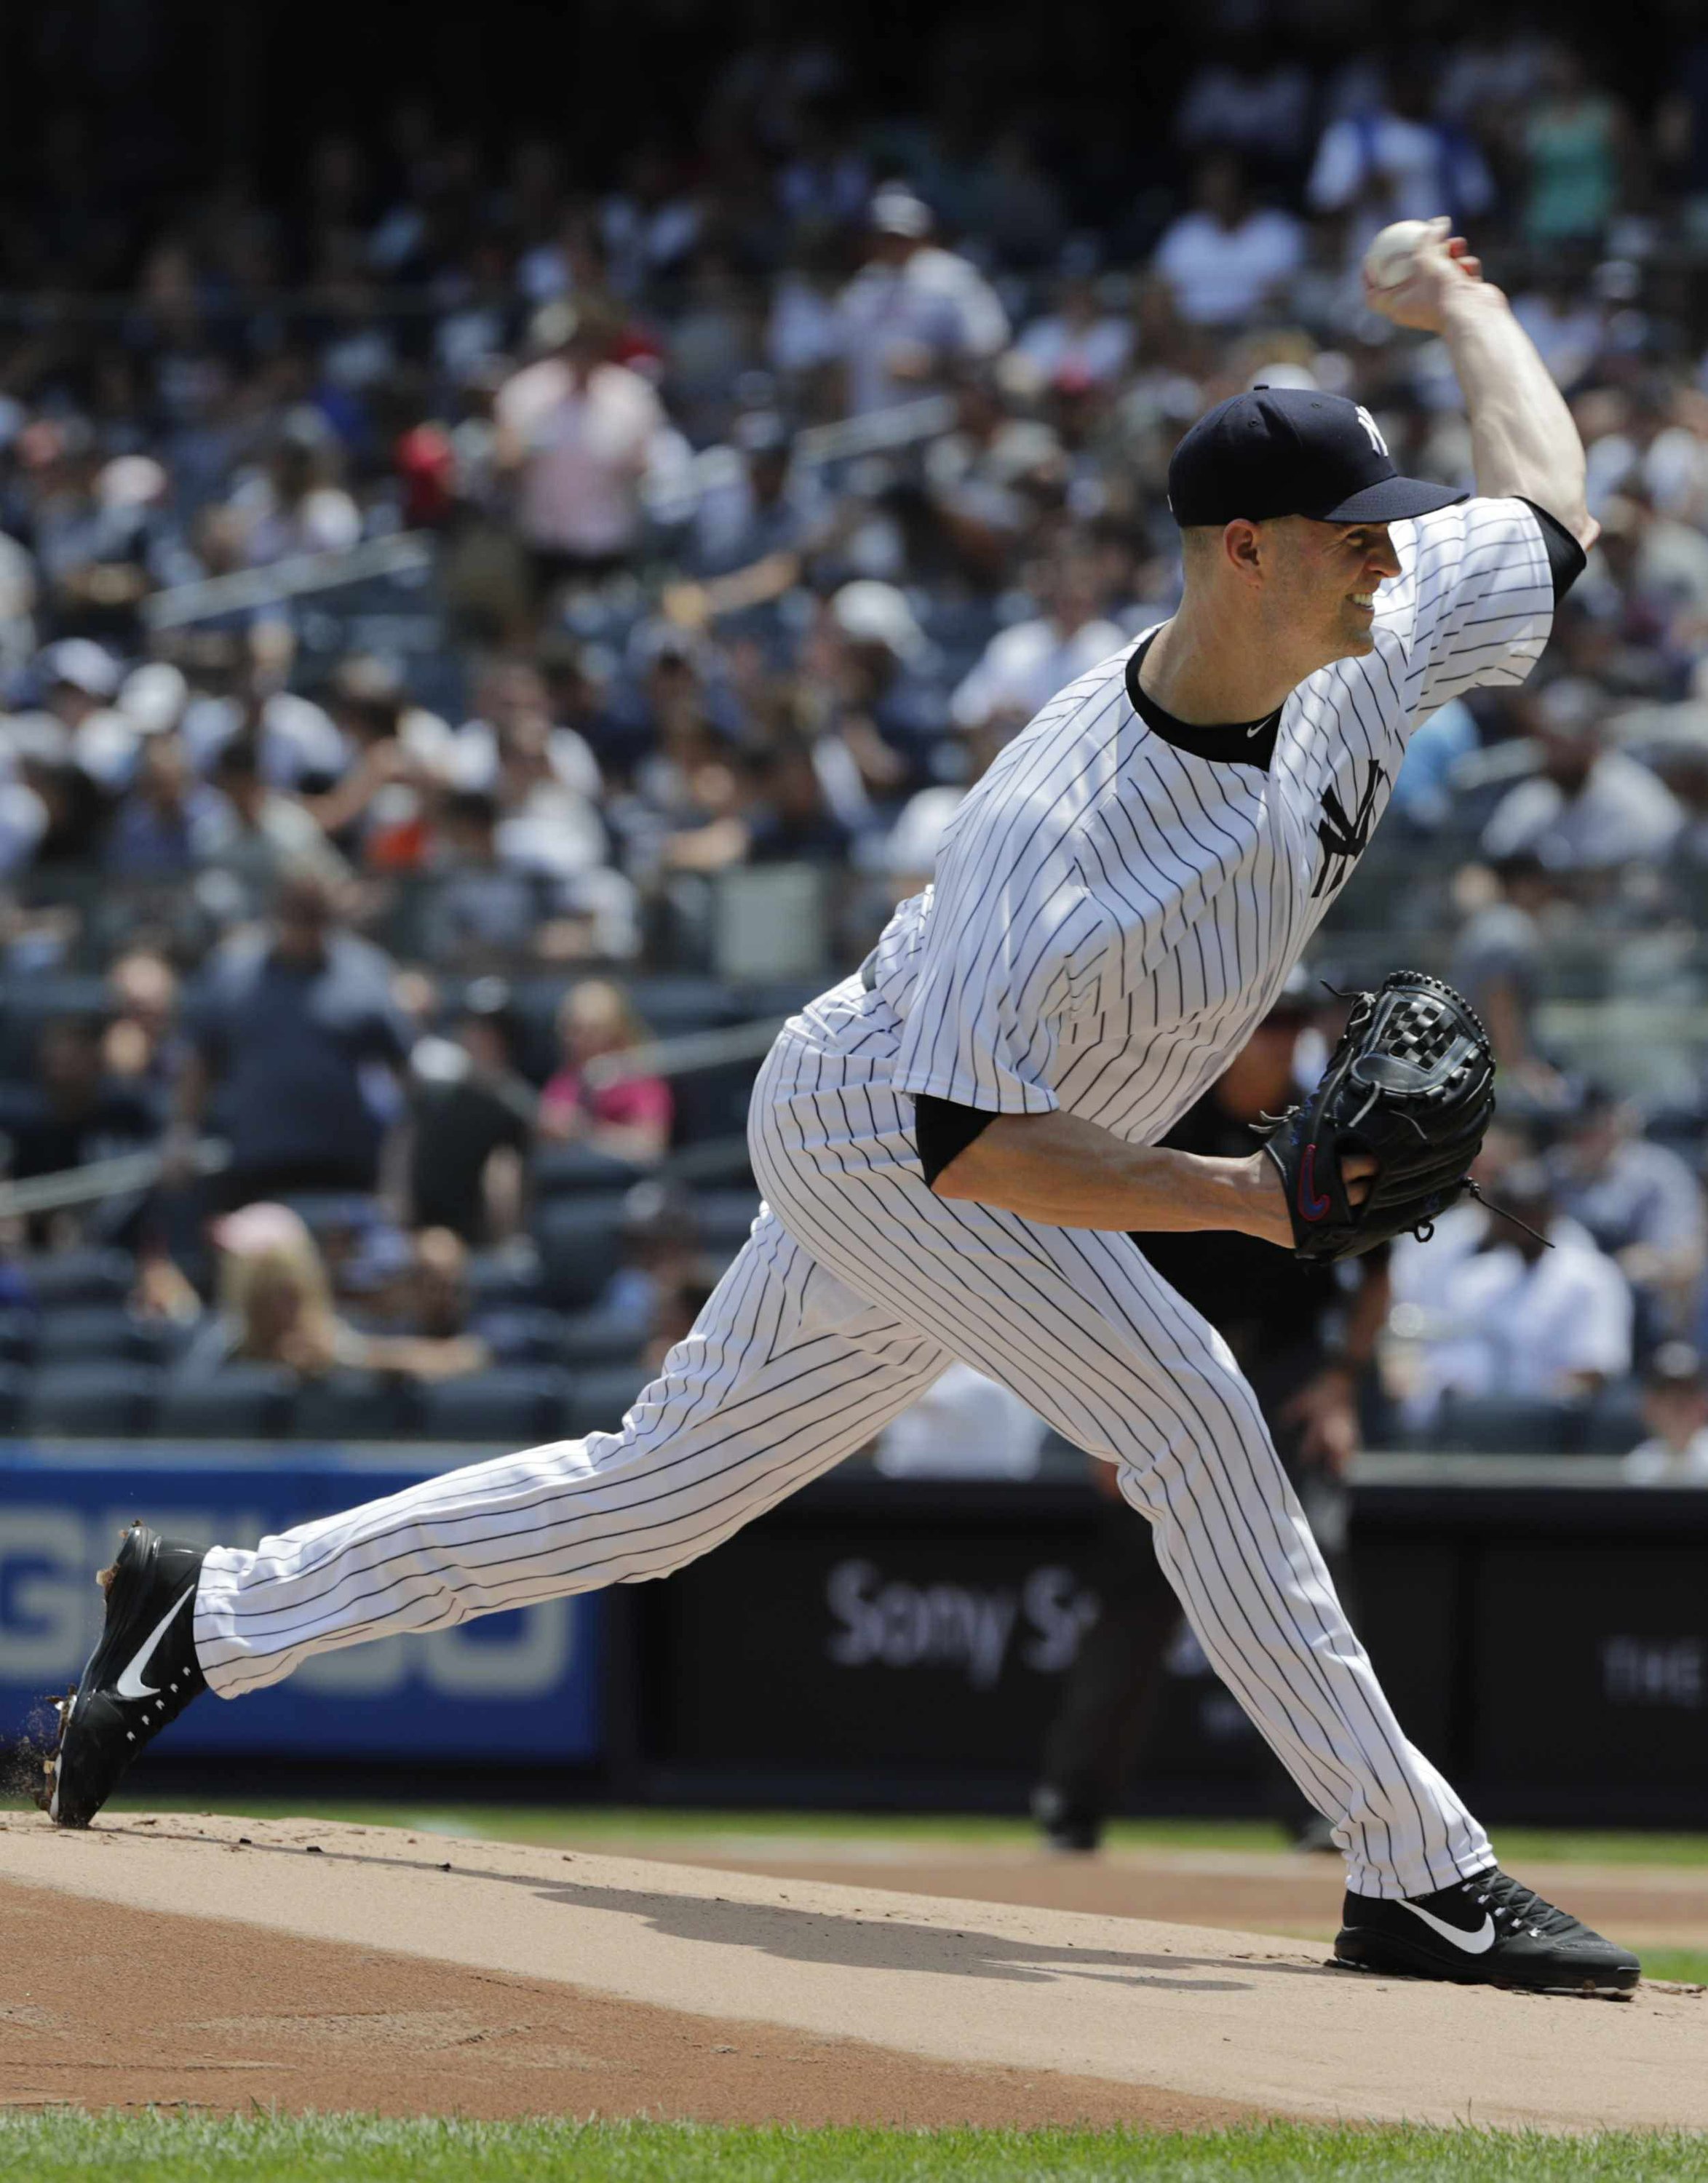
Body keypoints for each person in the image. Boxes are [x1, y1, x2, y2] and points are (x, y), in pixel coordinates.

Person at [43, 228, 1642, 1995]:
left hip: (988, 1139)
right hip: (888, 1128)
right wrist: (1251, 1200)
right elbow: (968, 1146)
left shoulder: (1371, 631)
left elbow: (1552, 511)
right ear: (1240, 549)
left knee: (658, 1494)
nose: (1387, 554)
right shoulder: (1058, 823)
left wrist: (1470, 306)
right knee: (1192, 1409)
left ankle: (216, 1607)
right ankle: (1417, 1872)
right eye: (1349, 532)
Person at [1033, 978, 1386, 1854]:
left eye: (1293, 1025)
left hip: (1284, 1369)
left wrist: (1341, 1382)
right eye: (1267, 1023)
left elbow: (1377, 1274)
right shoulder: (1163, 1117)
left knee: (1312, 1577)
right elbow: (1086, 1263)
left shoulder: (1323, 1124)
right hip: (1162, 1369)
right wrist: (1104, 1412)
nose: (1279, 1040)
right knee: (1139, 1591)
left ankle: (1327, 1804)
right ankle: (1073, 1806)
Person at [171, 868, 416, 1207]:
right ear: (277, 913)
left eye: (315, 917)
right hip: (255, 1162)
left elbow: (403, 1069)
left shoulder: (366, 971)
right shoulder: (232, 972)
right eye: (297, 916)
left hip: (345, 1165)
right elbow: (201, 1061)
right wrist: (182, 1133)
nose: (305, 928)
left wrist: (400, 1167)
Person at [536, 979, 672, 1166]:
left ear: (615, 1032)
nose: (576, 1039)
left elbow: (649, 1148)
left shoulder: (640, 1080)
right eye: (571, 1028)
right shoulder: (565, 1079)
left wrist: (584, 1131)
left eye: (590, 1030)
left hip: (617, 1185)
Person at [1624, 1343, 1708, 1484]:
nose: (1677, 1405)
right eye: (1666, 1395)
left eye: (1687, 1394)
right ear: (1650, 1407)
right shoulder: (1637, 1465)